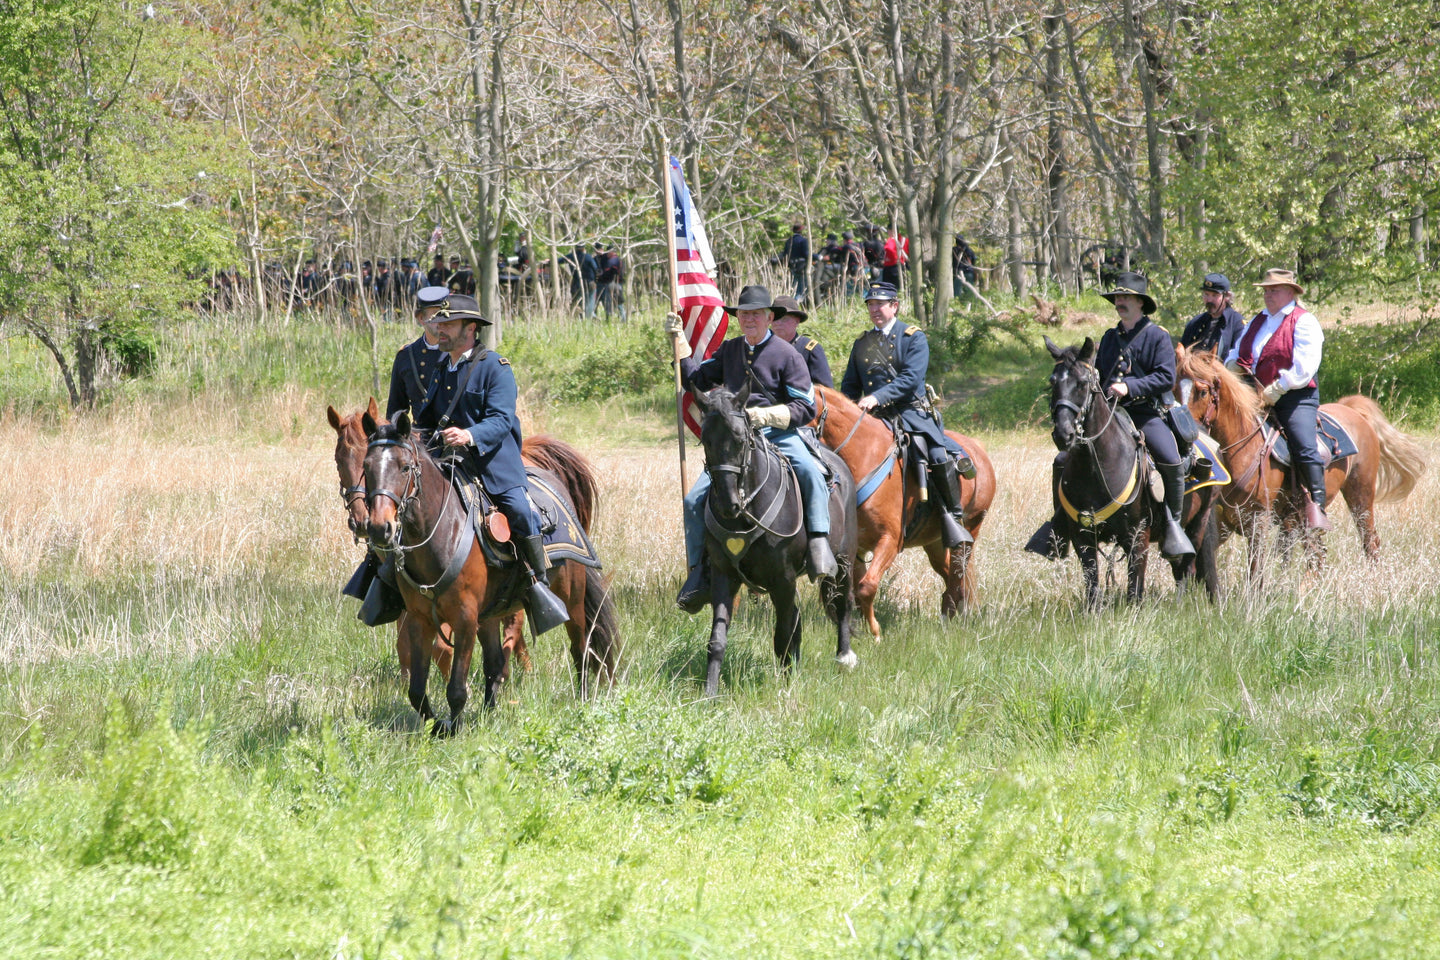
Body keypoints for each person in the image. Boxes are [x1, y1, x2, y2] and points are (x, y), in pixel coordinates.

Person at [665, 284, 836, 613]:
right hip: (736, 441)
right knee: (693, 499)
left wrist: (768, 415)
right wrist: (680, 344)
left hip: (779, 434)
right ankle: (699, 573)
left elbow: (806, 407)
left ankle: (818, 545)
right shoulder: (730, 350)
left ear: (770, 317)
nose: (749, 319)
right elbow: (696, 381)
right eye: (744, 314)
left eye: (756, 314)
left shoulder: (789, 355)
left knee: (811, 474)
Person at [420, 293, 568, 626]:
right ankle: (384, 582)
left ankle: (537, 583)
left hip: (492, 466)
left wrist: (469, 435)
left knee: (519, 510)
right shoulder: (442, 367)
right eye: (438, 324)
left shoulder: (495, 368)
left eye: (448, 324)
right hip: (448, 464)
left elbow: (501, 420)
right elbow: (427, 419)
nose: (439, 330)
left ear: (470, 328)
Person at [1025, 271, 1194, 560]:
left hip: (1144, 413)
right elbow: (1099, 378)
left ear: (1141, 303)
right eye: (1117, 297)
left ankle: (1172, 524)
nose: (1120, 301)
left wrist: (1130, 386)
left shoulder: (1157, 336)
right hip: (1107, 414)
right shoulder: (1109, 337)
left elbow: (1166, 378)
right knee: (1062, 460)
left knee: (1170, 459)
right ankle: (1060, 528)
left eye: (1126, 297)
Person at [840, 281, 975, 549]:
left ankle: (952, 515)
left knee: (936, 452)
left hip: (909, 411)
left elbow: (911, 379)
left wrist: (877, 396)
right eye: (870, 304)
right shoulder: (862, 343)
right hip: (872, 416)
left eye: (880, 304)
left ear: (895, 306)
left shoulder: (913, 337)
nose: (875, 309)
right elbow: (850, 385)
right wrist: (851, 407)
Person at [1224, 268, 1331, 531]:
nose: (1267, 294)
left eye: (1273, 290)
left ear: (1291, 292)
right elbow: (1236, 351)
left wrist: (1278, 388)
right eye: (1265, 290)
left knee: (1303, 444)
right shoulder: (1257, 320)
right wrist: (1231, 366)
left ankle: (1316, 508)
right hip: (1254, 394)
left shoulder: (1304, 321)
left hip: (1294, 397)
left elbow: (1305, 368)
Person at [384, 286, 451, 421]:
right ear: (421, 318)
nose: (442, 321)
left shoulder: (459, 353)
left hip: (456, 436)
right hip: (421, 437)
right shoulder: (407, 356)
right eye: (436, 315)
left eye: (445, 315)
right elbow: (395, 411)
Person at [771, 295, 832, 389]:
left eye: (784, 319)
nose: (778, 323)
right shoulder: (764, 348)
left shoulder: (810, 349)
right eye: (775, 319)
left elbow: (825, 390)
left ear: (796, 321)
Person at [1181, 273, 1246, 360]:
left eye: (1215, 295)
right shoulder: (1195, 323)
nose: (1209, 300)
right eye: (1206, 294)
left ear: (1226, 296)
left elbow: (1239, 362)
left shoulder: (1237, 324)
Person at [781, 223, 810, 302]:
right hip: (801, 267)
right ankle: (798, 302)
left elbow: (785, 254)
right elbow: (806, 254)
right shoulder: (803, 241)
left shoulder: (788, 241)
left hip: (791, 266)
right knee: (801, 287)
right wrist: (817, 257)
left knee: (793, 286)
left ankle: (792, 301)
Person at [881, 225, 908, 289]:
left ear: (892, 231)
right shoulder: (904, 239)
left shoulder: (891, 240)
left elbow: (890, 250)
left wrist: (888, 259)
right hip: (903, 265)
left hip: (891, 266)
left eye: (888, 231)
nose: (888, 232)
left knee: (888, 287)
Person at [842, 231, 868, 297]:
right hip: (866, 267)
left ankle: (850, 300)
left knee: (850, 286)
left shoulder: (846, 247)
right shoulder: (859, 245)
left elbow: (844, 258)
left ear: (844, 240)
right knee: (863, 285)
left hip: (856, 268)